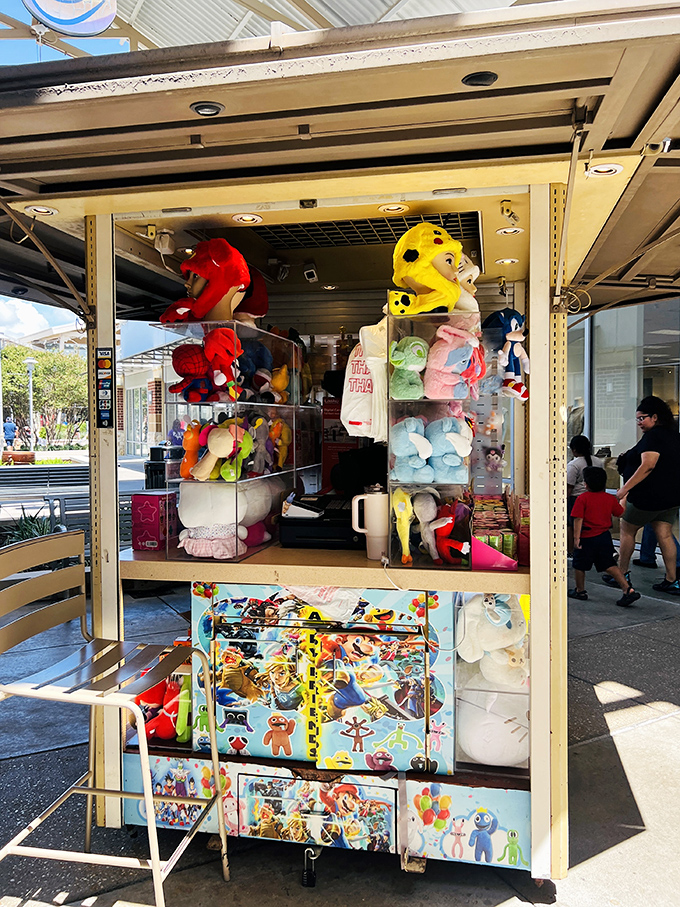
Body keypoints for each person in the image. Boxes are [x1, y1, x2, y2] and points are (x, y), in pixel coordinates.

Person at [612, 396, 680, 595]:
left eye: (642, 418)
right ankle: (671, 579)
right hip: (672, 497)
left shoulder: (653, 437)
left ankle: (622, 574)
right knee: (664, 534)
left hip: (648, 497)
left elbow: (648, 465)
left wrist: (625, 489)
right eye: (637, 419)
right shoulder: (674, 435)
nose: (639, 423)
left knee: (627, 530)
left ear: (655, 417)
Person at [570, 466, 640, 607]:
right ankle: (627, 589)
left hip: (586, 537)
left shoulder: (582, 498)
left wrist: (576, 538)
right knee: (609, 564)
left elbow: (578, 519)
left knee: (579, 564)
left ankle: (580, 590)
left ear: (586, 484)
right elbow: (620, 513)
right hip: (604, 537)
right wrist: (623, 498)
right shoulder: (609, 498)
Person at [567, 435, 604, 554]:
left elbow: (569, 486)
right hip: (595, 498)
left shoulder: (573, 465)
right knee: (590, 526)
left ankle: (571, 550)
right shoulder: (598, 461)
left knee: (571, 525)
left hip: (576, 499)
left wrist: (564, 502)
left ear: (574, 450)